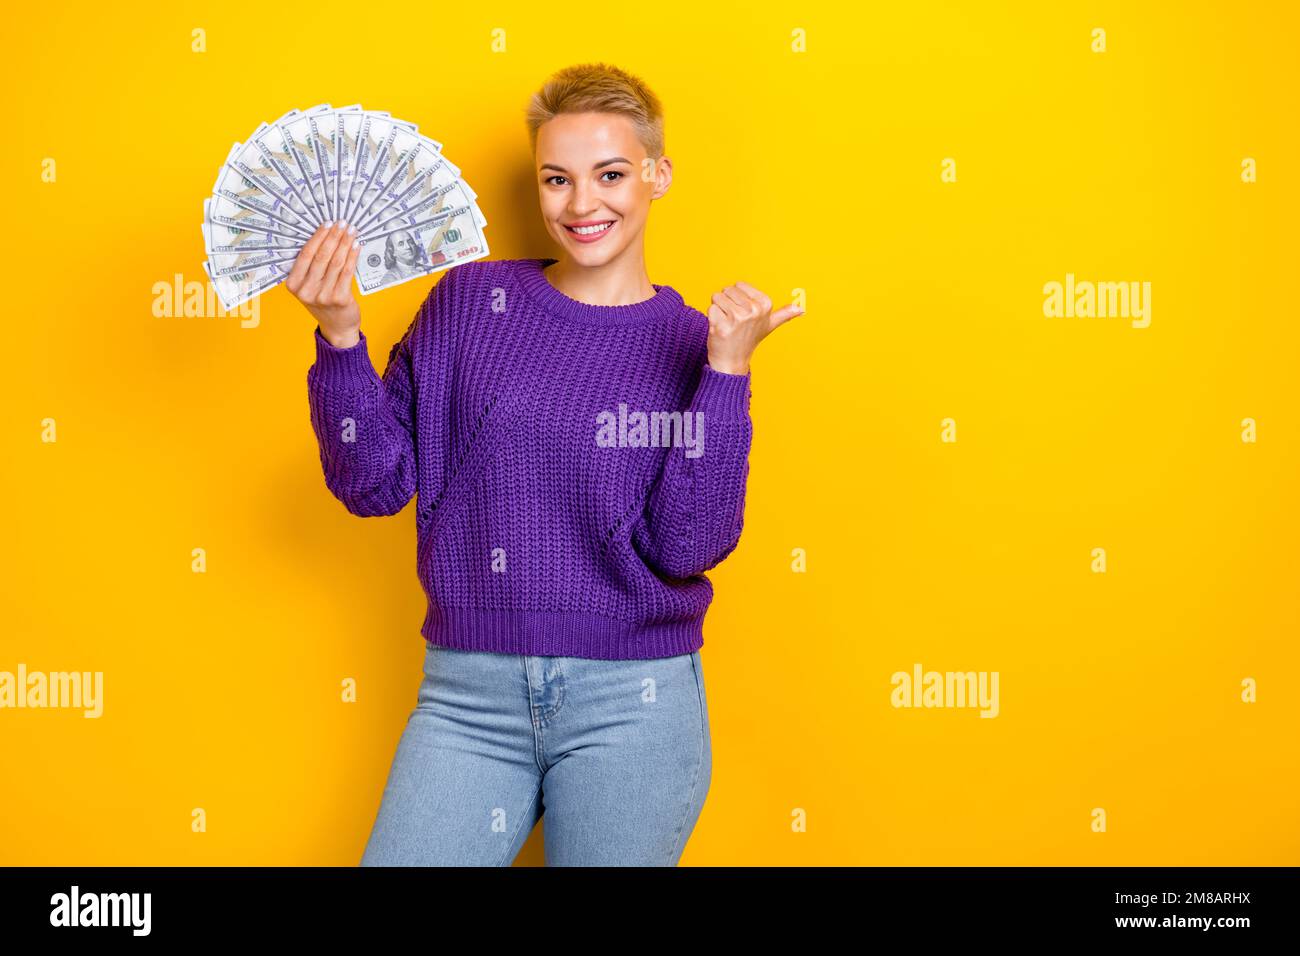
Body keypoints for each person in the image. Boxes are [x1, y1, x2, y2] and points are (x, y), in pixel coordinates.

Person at [286, 62, 802, 866]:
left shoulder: (691, 343)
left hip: (633, 704)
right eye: (556, 179)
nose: (581, 204)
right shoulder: (468, 304)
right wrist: (342, 340)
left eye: (610, 174)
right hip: (468, 698)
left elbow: (687, 546)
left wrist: (727, 374)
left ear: (658, 175)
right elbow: (373, 483)